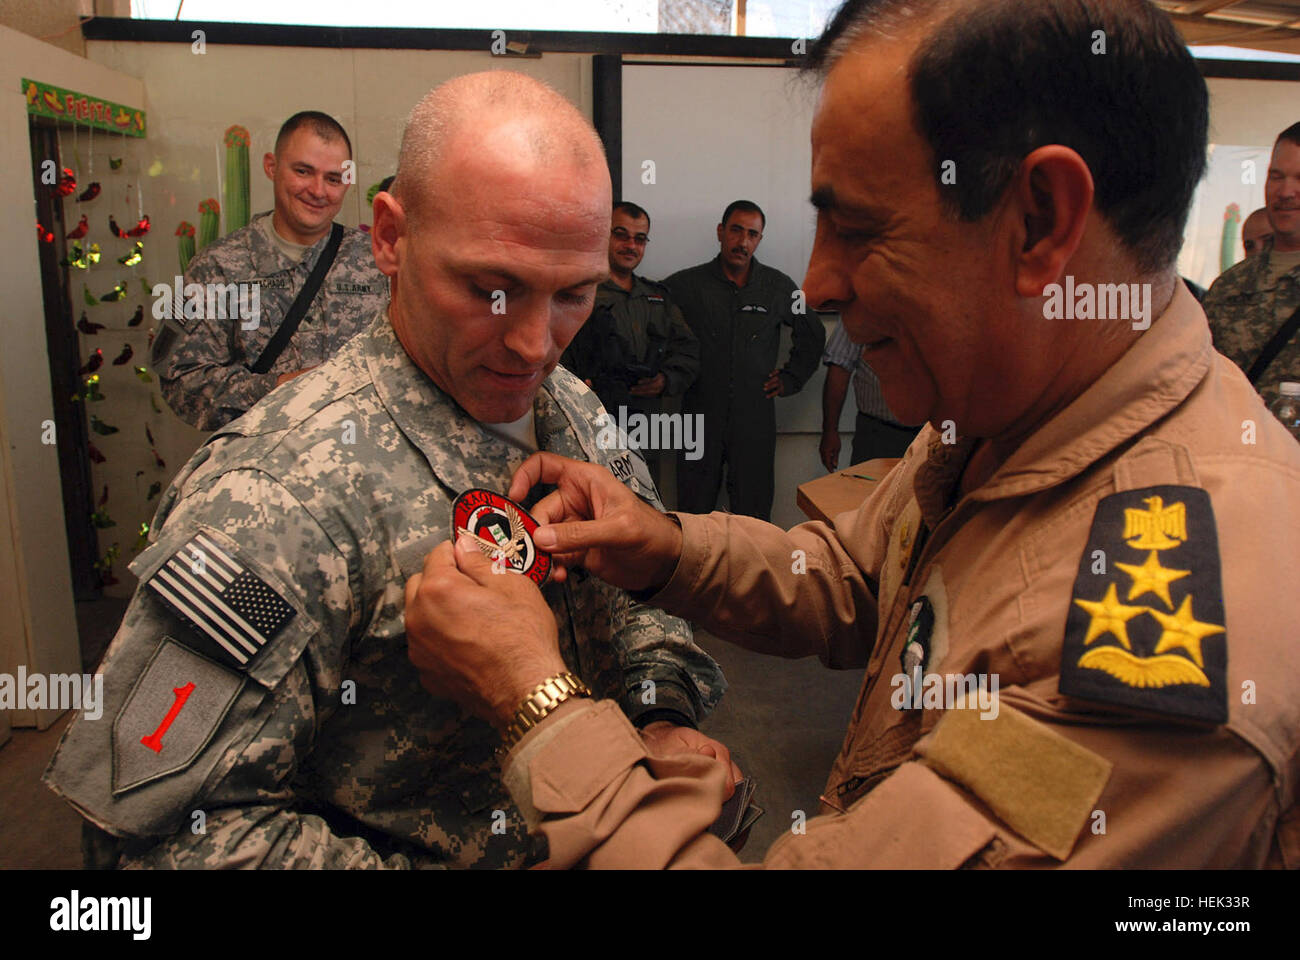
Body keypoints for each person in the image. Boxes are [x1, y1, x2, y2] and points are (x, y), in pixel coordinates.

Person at [402, 0, 1300, 868]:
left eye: (859, 228)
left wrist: (540, 705)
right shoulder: (1007, 414)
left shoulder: (1155, 647)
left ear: (1041, 220)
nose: (820, 282)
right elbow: (851, 576)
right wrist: (664, 548)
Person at [44, 73, 729, 869]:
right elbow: (156, 838)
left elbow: (642, 591)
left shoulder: (571, 408)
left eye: (574, 295)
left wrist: (656, 716)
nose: (535, 344)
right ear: (391, 238)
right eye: (491, 289)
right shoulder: (269, 496)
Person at [153, 111, 388, 430]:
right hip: (262, 467)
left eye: (333, 179)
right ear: (271, 167)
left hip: (359, 461)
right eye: (304, 171)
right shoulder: (216, 267)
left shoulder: (378, 261)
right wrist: (279, 388)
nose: (319, 191)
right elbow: (182, 380)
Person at [663, 201, 825, 521]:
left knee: (753, 513)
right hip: (699, 416)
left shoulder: (777, 287)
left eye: (753, 234)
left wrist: (792, 378)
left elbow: (813, 333)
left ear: (760, 239)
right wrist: (667, 375)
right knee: (693, 513)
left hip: (754, 419)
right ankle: (694, 572)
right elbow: (649, 321)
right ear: (721, 232)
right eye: (736, 230)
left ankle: (750, 573)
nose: (743, 241)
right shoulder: (685, 286)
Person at [560, 202, 700, 495]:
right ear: (603, 235)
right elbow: (553, 352)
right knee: (591, 501)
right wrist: (579, 387)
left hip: (645, 424)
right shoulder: (578, 292)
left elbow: (688, 351)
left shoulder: (657, 297)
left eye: (640, 238)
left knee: (645, 502)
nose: (631, 245)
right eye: (621, 235)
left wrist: (665, 380)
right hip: (591, 422)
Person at [1204, 125, 1300, 404]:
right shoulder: (1230, 286)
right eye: (1276, 176)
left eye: (1299, 178)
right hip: (1234, 444)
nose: (1285, 192)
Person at [819, 318, 919, 472]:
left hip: (930, 435)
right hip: (876, 433)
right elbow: (839, 369)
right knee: (867, 493)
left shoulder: (944, 307)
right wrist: (830, 430)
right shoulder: (861, 307)